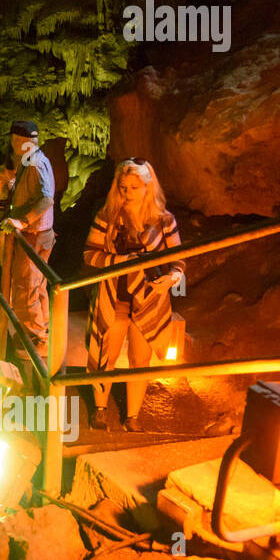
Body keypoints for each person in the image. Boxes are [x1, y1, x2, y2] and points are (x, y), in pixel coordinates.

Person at [83, 158, 185, 432]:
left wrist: (173, 278)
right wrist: (122, 262)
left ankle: (133, 416)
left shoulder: (164, 221)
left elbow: (179, 260)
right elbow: (90, 254)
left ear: (148, 188)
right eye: (123, 187)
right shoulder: (108, 216)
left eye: (134, 187)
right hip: (114, 294)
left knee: (141, 357)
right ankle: (100, 409)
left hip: (149, 296)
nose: (127, 193)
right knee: (108, 351)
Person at [0, 120, 56, 358]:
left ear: (21, 141)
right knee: (38, 284)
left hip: (34, 235)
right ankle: (42, 328)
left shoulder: (34, 163)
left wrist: (23, 221)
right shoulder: (34, 160)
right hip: (41, 234)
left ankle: (32, 338)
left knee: (25, 285)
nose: (11, 144)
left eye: (14, 140)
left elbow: (46, 199)